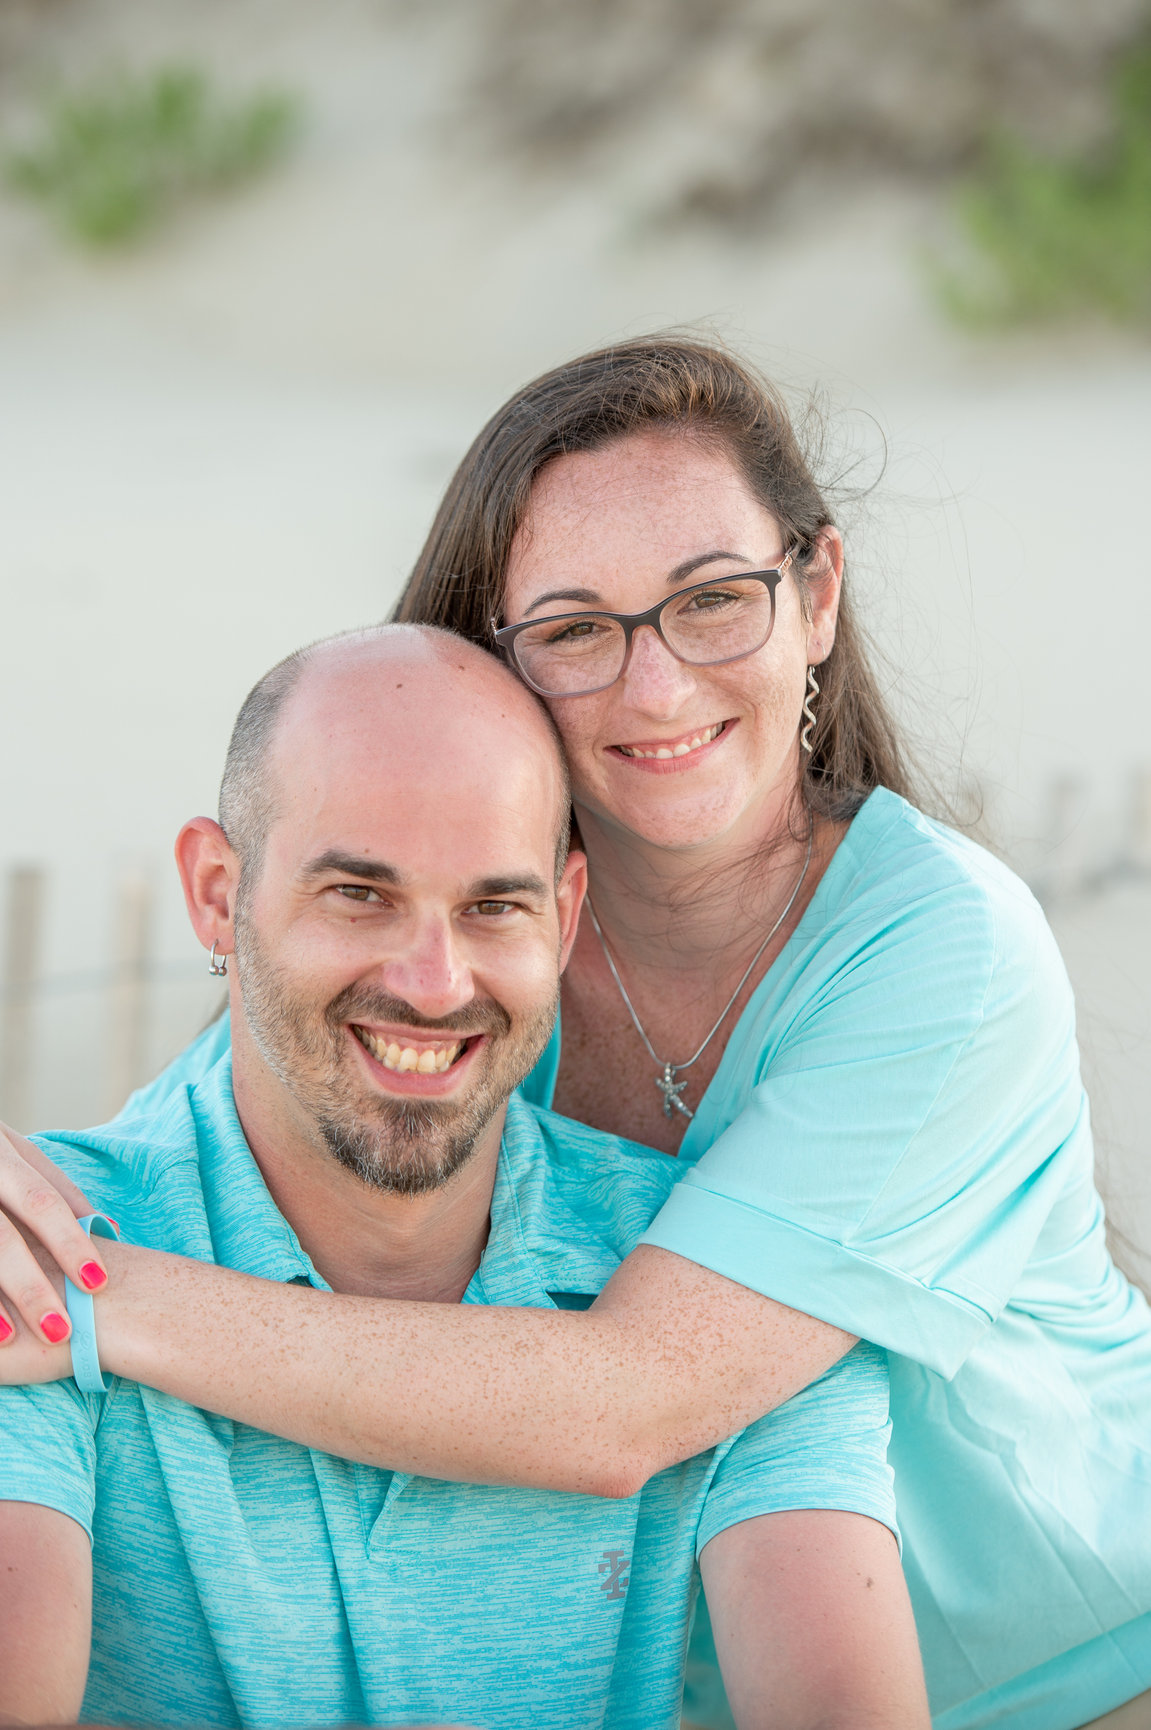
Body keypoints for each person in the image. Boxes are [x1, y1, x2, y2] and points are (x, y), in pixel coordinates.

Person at [1, 336, 1149, 1730]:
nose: (654, 687)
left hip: (1074, 1665)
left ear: (817, 594)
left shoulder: (938, 952)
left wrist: (82, 1299)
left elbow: (625, 1402)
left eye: (712, 600)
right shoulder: (482, 959)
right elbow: (231, 1116)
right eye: (573, 626)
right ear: (496, 659)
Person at [0, 625, 925, 1730]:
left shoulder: (709, 1288)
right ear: (215, 892)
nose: (433, 984)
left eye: (493, 906)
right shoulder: (24, 1245)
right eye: (359, 893)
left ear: (565, 912)